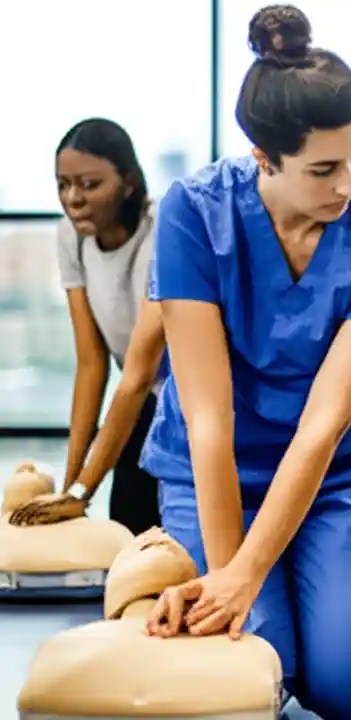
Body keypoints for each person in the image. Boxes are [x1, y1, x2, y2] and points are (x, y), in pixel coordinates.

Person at [139, 6, 351, 718]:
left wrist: (246, 572)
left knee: (350, 690)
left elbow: (324, 426)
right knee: (257, 664)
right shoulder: (191, 214)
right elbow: (208, 418)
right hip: (219, 472)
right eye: (324, 168)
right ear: (264, 159)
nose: (349, 184)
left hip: (341, 471)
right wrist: (232, 579)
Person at [9, 119, 167, 533]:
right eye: (63, 185)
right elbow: (92, 363)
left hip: (192, 406)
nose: (72, 199)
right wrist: (69, 488)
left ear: (128, 181)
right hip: (143, 403)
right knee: (127, 532)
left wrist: (82, 491)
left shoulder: (163, 234)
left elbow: (138, 375)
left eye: (89, 184)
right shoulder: (71, 237)